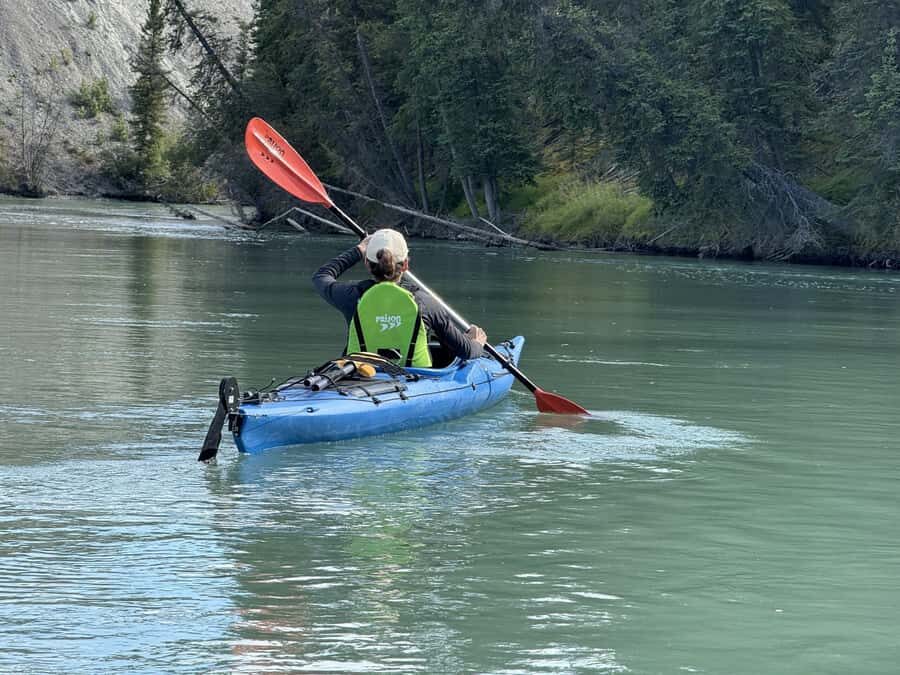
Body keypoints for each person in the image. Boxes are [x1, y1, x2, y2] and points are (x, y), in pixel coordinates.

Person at [312, 228, 487, 367]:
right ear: (405, 265)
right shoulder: (426, 302)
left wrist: (358, 250)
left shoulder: (351, 296)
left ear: (367, 263)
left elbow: (322, 276)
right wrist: (477, 342)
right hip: (415, 380)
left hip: (361, 375)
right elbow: (464, 351)